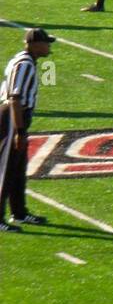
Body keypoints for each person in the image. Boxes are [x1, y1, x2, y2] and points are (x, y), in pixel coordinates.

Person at [0, 28, 54, 233]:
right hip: (13, 118)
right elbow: (14, 98)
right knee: (5, 169)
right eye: (46, 42)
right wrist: (19, 131)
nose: (49, 46)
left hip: (16, 117)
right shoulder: (24, 64)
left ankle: (19, 212)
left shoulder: (26, 61)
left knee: (17, 168)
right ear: (33, 44)